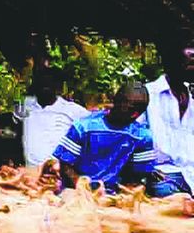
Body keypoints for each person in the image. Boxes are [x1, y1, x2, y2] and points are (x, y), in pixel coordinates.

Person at [53, 82, 155, 193]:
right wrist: (83, 187)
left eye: (138, 111)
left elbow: (138, 176)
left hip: (117, 195)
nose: (134, 115)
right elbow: (65, 165)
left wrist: (123, 194)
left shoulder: (142, 136)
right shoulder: (83, 127)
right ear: (115, 100)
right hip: (78, 191)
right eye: (129, 107)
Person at [144, 40, 194, 197]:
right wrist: (145, 168)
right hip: (164, 174)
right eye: (189, 63)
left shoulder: (191, 98)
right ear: (171, 63)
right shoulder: (148, 94)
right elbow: (131, 136)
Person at [15, 69, 88, 169]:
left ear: (57, 87)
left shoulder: (72, 110)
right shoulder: (27, 105)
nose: (45, 89)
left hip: (60, 171)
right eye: (42, 84)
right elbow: (15, 120)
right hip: (31, 171)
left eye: (49, 85)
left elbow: (92, 130)